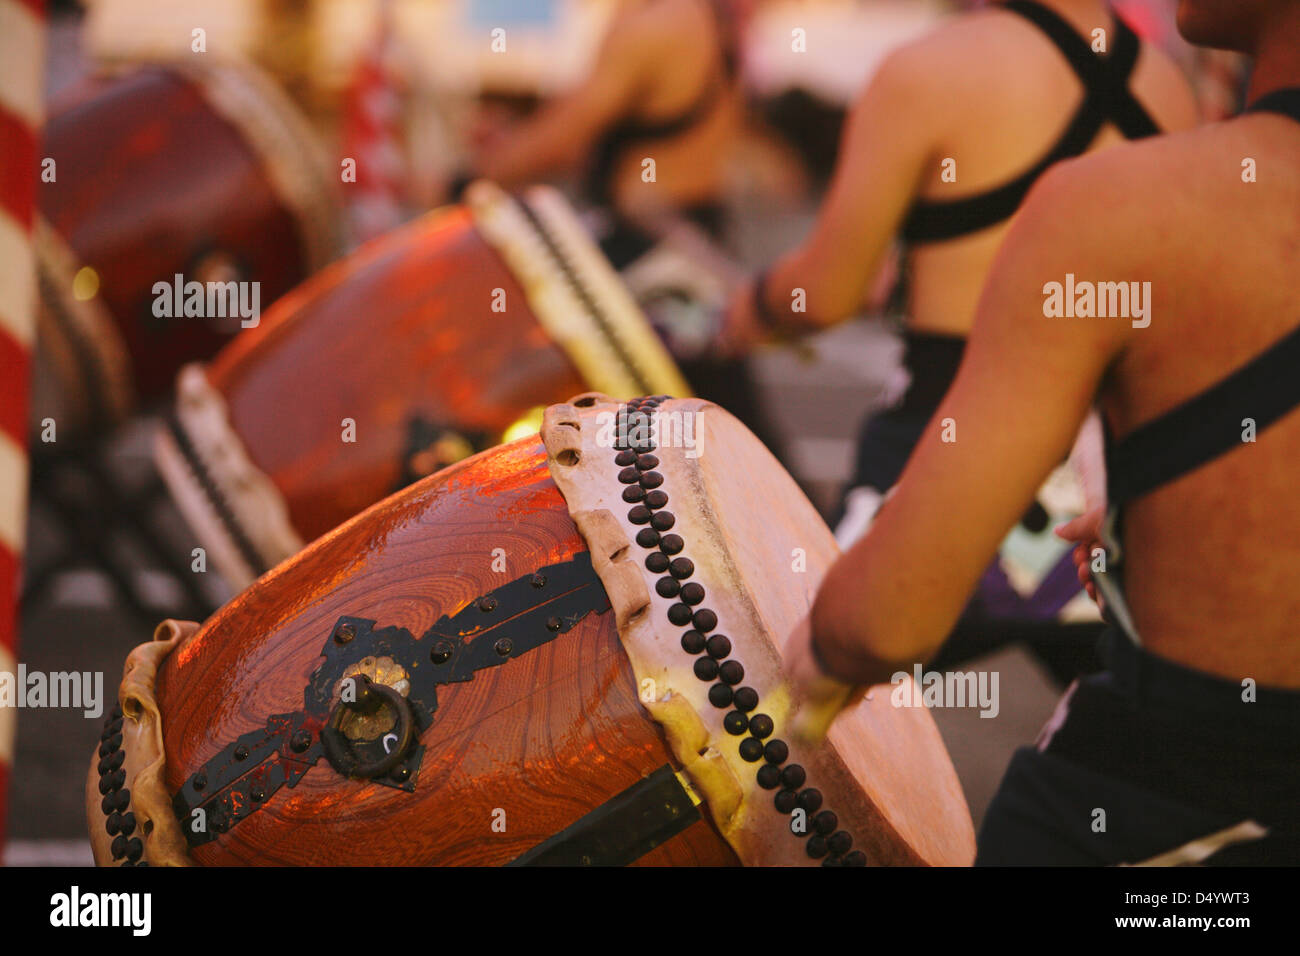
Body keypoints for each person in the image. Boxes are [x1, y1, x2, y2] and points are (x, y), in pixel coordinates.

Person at [786, 0, 1300, 865]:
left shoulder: (1115, 205)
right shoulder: (1159, 83)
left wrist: (825, 637)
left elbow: (885, 622)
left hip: (1156, 814)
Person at [720, 0, 1199, 679]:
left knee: (777, 704)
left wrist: (754, 306)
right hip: (1106, 472)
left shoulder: (928, 69)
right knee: (1127, 752)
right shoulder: (1164, 83)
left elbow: (828, 292)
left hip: (940, 444)